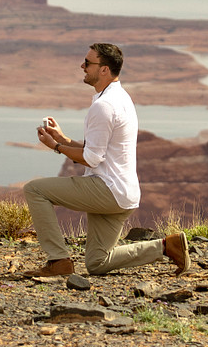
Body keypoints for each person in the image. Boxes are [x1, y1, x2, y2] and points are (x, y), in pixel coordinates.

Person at [23, 42, 189, 277]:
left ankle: (58, 261)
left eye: (87, 63)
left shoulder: (104, 106)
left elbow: (91, 159)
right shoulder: (120, 97)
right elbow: (97, 151)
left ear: (104, 69)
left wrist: (56, 147)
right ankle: (166, 246)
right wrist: (63, 138)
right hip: (123, 194)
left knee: (34, 190)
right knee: (97, 263)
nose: (82, 66)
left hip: (107, 190)